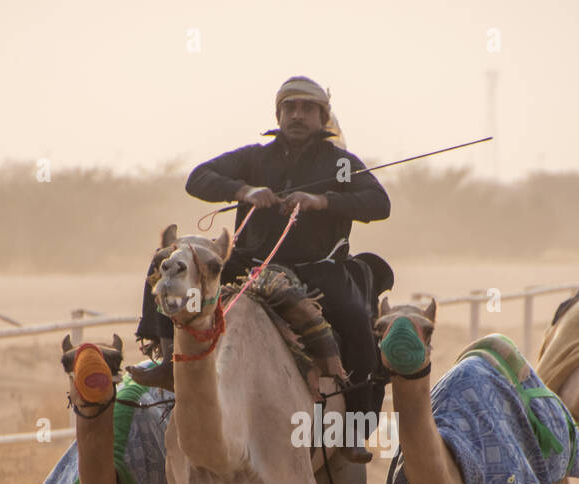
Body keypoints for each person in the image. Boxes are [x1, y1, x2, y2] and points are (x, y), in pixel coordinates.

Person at [141, 76, 392, 462]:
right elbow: (198, 178)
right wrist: (243, 191)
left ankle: (351, 430)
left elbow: (378, 203)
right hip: (249, 266)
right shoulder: (255, 159)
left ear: (322, 117)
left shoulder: (339, 164)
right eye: (289, 108)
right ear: (278, 114)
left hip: (318, 272)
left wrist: (322, 201)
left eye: (307, 109)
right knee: (166, 265)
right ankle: (168, 360)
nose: (297, 115)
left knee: (358, 323)